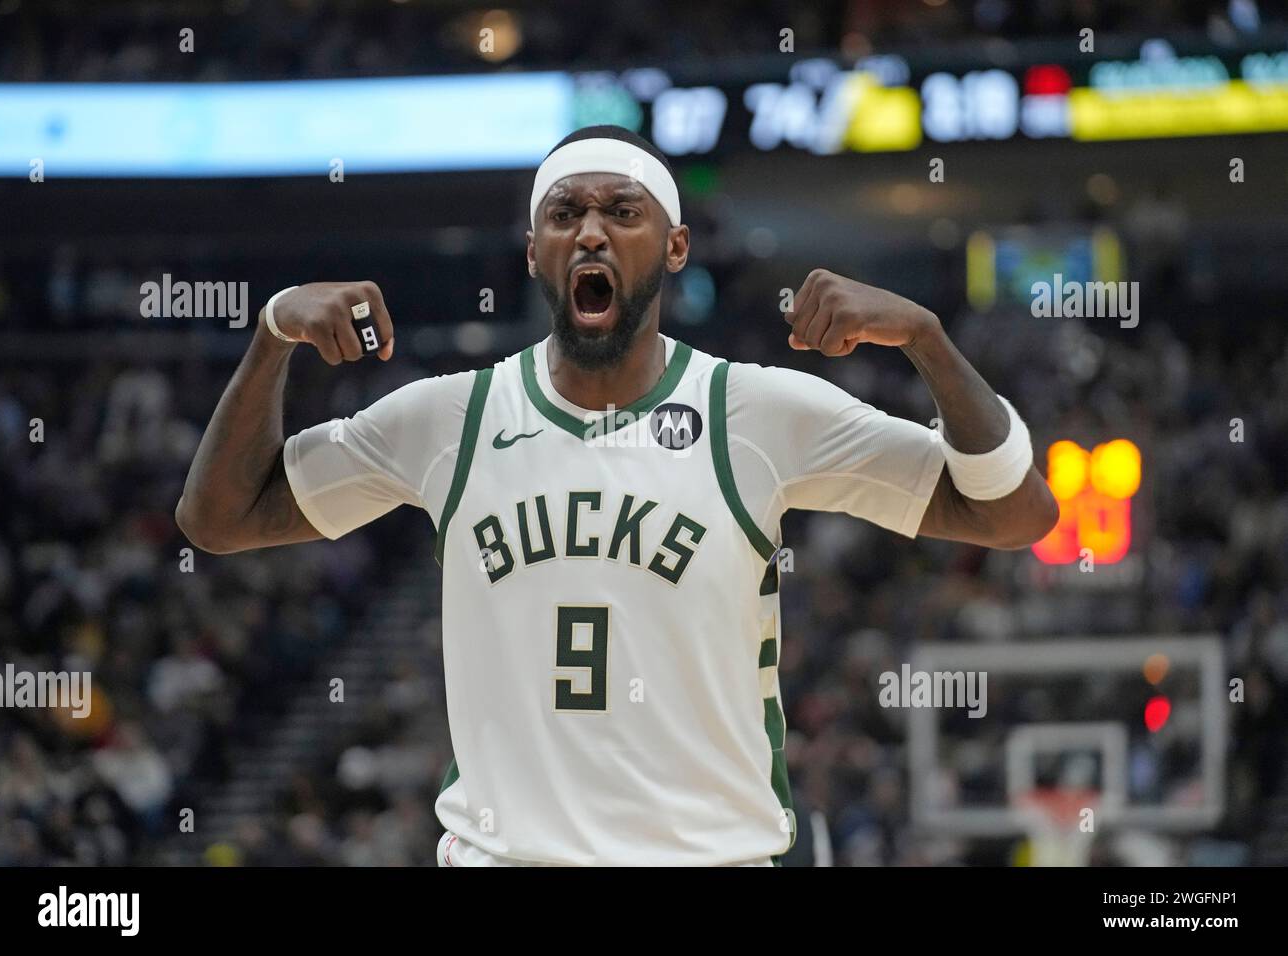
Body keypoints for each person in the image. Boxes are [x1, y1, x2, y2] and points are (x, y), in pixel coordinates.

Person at [176, 125, 1058, 866]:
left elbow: (1015, 513)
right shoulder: (454, 415)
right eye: (566, 214)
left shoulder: (753, 410)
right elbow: (218, 519)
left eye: (621, 212)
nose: (591, 232)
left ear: (674, 245)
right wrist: (273, 332)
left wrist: (928, 339)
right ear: (534, 252)